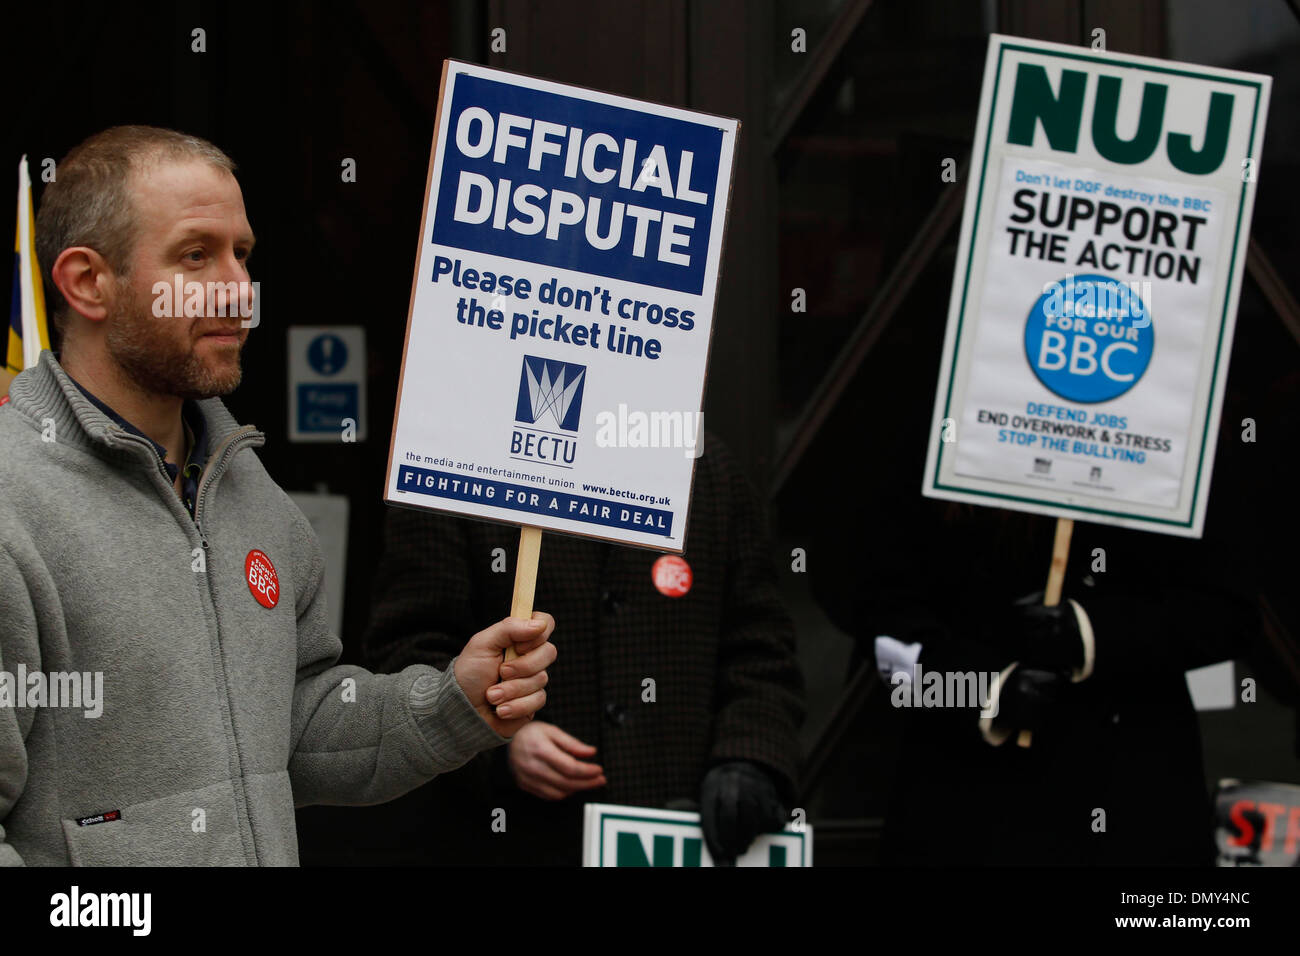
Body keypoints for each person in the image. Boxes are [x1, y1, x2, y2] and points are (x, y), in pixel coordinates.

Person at [0, 125, 556, 866]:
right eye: (196, 256)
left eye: (242, 254)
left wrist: (452, 703)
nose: (239, 288)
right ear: (86, 282)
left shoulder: (250, 490)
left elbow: (291, 723)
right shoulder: (13, 506)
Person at [362, 433, 805, 866]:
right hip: (517, 837)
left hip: (687, 826)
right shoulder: (457, 467)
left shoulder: (704, 469)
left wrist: (749, 757)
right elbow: (406, 652)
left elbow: (761, 648)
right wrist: (491, 742)